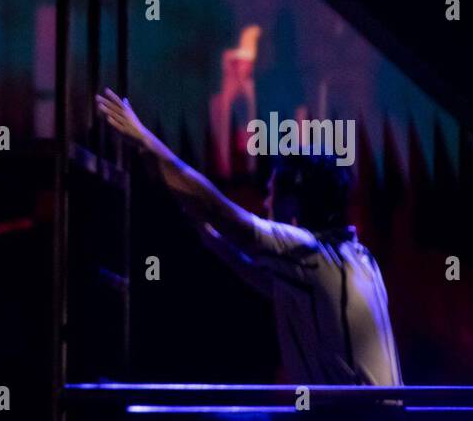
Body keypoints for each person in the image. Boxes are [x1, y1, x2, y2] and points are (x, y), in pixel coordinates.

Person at [96, 87, 401, 386]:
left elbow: (223, 212)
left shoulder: (310, 254)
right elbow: (262, 276)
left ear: (294, 202)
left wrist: (148, 141)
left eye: (271, 194)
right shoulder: (357, 258)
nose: (266, 203)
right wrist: (210, 234)